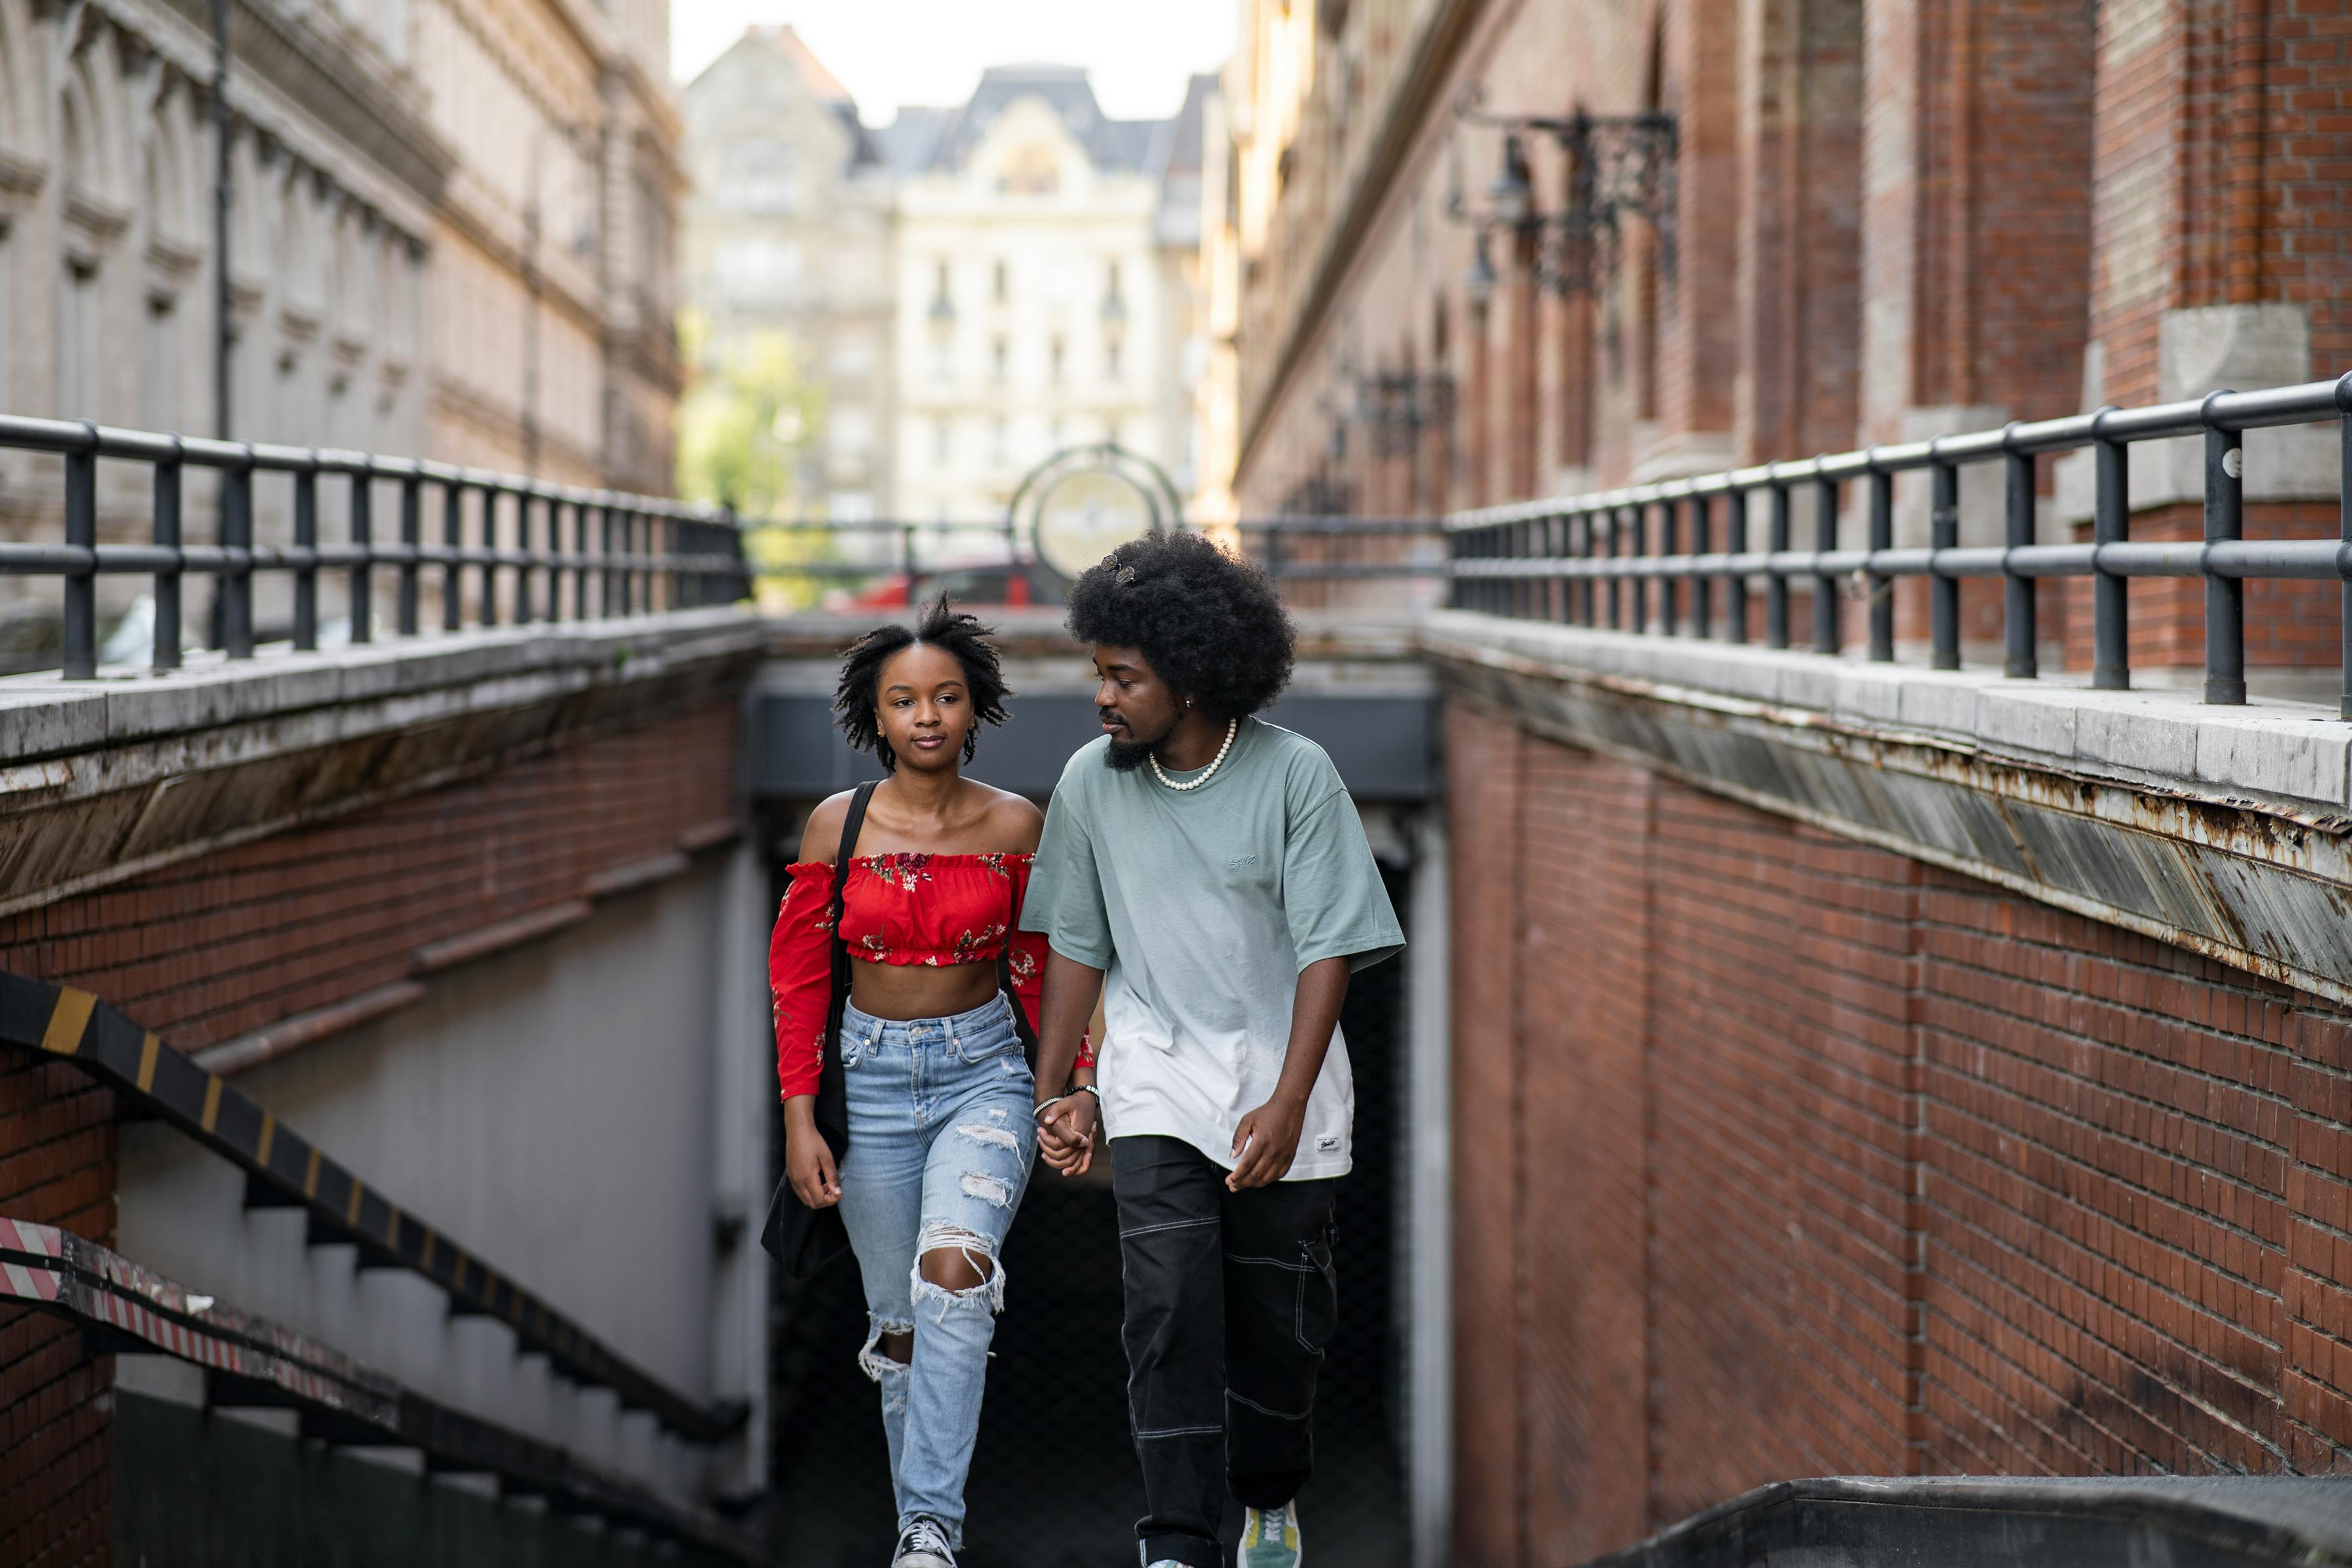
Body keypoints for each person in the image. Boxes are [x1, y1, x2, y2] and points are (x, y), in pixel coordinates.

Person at [1021, 533, 1405, 1568]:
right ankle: (1177, 1538)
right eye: (1098, 673)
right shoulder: (1091, 785)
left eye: (1122, 677)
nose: (1101, 697)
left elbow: (1331, 947)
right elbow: (1076, 944)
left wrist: (1285, 1104)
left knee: (1280, 1328)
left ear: (1191, 675)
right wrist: (1056, 1091)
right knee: (1168, 1308)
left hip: (1284, 1091)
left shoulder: (1296, 775)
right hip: (1153, 1078)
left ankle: (1269, 1502)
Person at [768, 594, 1092, 1568]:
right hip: (866, 1086)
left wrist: (1067, 1086)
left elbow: (1049, 968)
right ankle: (925, 1521)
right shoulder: (839, 825)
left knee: (954, 1275)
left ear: (974, 709)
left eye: (946, 697)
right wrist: (798, 1119)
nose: (926, 717)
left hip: (983, 1073)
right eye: (904, 700)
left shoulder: (1018, 824)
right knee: (899, 1326)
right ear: (876, 716)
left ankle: (928, 1532)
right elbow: (799, 977)